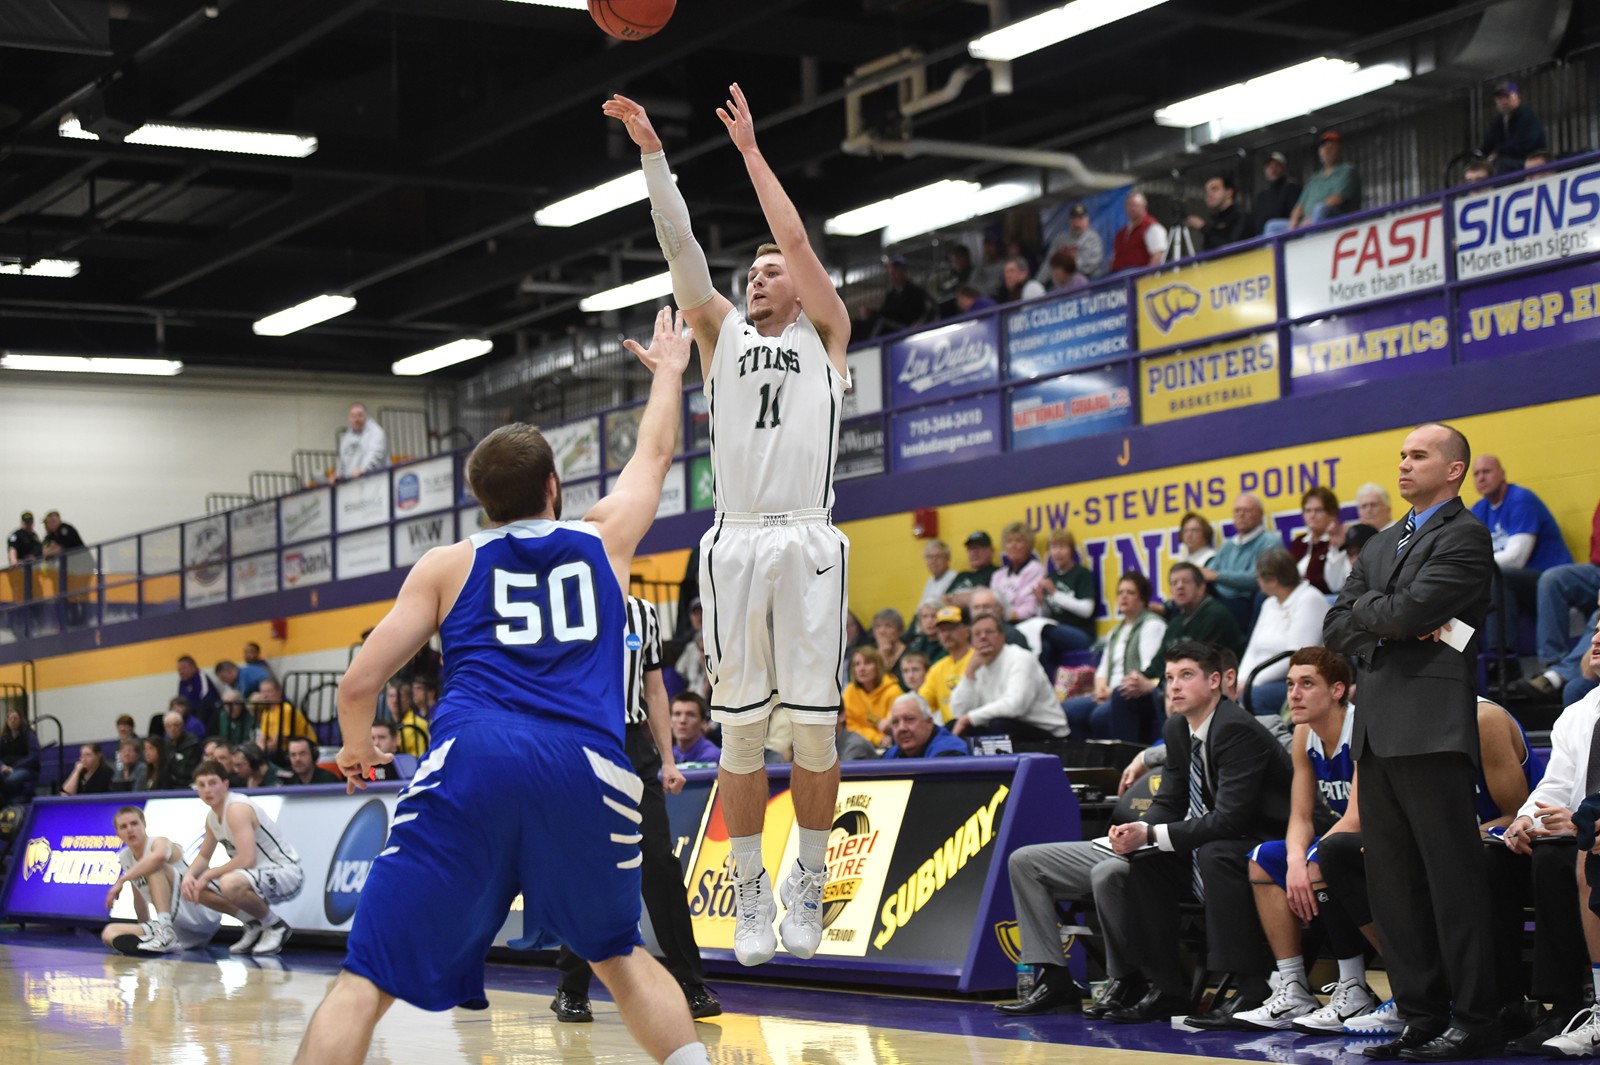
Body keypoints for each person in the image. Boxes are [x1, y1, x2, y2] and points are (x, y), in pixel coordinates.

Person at [291, 300, 705, 1065]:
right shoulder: (603, 537)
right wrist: (671, 373)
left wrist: (356, 752)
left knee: (363, 981)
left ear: (484, 500)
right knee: (619, 955)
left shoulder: (449, 564)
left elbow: (357, 684)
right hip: (586, 766)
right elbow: (653, 456)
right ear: (555, 483)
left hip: (472, 761)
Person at [603, 87, 854, 977]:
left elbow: (793, 241)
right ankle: (751, 886)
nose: (759, 275)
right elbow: (681, 248)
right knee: (743, 738)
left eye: (770, 270)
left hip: (809, 541)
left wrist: (750, 152)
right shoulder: (719, 338)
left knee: (817, 737)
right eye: (750, 271)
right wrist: (651, 153)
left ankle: (810, 879)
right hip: (734, 541)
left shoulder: (829, 332)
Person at [1323, 422, 1500, 1061]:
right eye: (1401, 454)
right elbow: (1335, 625)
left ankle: (1477, 1017)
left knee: (1452, 883)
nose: (1403, 464)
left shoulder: (1466, 535)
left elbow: (1401, 611)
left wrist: (1387, 616)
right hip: (1376, 730)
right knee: (1393, 887)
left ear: (1453, 470)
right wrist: (1391, 619)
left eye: (1418, 455)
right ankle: (1421, 1014)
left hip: (1430, 728)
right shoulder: (1379, 542)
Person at [1098, 641, 1295, 1027]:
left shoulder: (1236, 727)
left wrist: (1155, 835)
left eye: (1186, 675)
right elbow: (1170, 800)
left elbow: (1231, 820)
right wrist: (1141, 830)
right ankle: (1167, 987)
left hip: (1273, 839)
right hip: (1225, 837)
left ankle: (1250, 985)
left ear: (1216, 681)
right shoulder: (1176, 727)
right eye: (1169, 677)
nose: (1174, 686)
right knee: (1147, 859)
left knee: (1215, 853)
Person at [551, 595, 721, 1025]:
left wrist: (667, 758)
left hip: (633, 743)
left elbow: (654, 687)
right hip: (579, 742)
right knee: (590, 867)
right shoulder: (562, 600)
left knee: (660, 863)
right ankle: (571, 988)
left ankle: (689, 982)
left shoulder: (643, 612)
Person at [1232, 648, 1377, 1032]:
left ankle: (1355, 987)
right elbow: (1299, 816)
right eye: (1290, 684)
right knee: (1264, 857)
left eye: (1307, 684)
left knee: (1320, 857)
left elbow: (1357, 817)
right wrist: (1295, 860)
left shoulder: (1362, 725)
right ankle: (1293, 985)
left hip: (1379, 841)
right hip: (1339, 844)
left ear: (1337, 690)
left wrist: (1309, 857)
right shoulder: (1303, 734)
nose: (1293, 694)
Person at [1506, 621, 1600, 1057]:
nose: (1596, 638)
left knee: (1575, 853)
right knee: (1533, 854)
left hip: (1590, 835)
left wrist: (1584, 822)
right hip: (1581, 838)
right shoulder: (1579, 713)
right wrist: (1526, 818)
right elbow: (1554, 786)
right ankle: (1555, 1006)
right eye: (1595, 630)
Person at [182, 760, 301, 957]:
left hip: (284, 872)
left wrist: (208, 874)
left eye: (212, 783)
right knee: (197, 887)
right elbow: (203, 856)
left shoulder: (237, 808)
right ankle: (253, 923)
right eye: (201, 785)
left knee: (229, 882)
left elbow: (247, 859)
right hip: (254, 875)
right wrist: (189, 876)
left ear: (226, 784)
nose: (207, 790)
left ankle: (275, 925)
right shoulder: (212, 817)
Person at [1470, 454, 1572, 651]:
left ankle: (1502, 658)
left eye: (1487, 471)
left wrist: (1472, 569)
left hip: (1545, 578)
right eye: (1476, 474)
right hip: (1510, 581)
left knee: (1496, 576)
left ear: (1502, 474)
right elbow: (1469, 556)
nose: (1481, 478)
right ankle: (1460, 658)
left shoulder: (1521, 499)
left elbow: (1516, 559)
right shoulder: (1479, 510)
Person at [101, 806, 222, 954]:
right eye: (123, 827)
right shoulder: (125, 857)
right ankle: (144, 945)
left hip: (200, 913)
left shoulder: (159, 842)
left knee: (154, 867)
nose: (130, 829)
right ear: (118, 833)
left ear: (144, 825)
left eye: (134, 823)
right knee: (110, 932)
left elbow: (159, 857)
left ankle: (165, 932)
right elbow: (139, 897)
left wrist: (121, 880)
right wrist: (144, 927)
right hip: (178, 927)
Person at [1062, 572, 1167, 741]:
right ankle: (1088, 762)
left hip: (1131, 693)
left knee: (1099, 716)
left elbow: (1147, 670)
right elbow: (1102, 669)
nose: (1124, 597)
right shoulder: (1115, 631)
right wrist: (1100, 690)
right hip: (1108, 692)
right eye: (1120, 592)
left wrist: (1112, 693)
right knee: (1064, 712)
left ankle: (1115, 762)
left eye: (1130, 593)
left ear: (1142, 598)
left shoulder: (1152, 625)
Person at [948, 614, 1069, 741]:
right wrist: (969, 675)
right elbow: (958, 711)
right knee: (952, 725)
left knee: (999, 725)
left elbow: (1015, 706)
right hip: (1008, 726)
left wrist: (969, 718)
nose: (983, 637)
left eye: (989, 632)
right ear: (972, 642)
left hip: (1049, 734)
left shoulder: (1021, 658)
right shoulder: (976, 665)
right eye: (977, 634)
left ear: (1002, 636)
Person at [1238, 549, 1331, 715]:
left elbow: (1295, 656)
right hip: (1259, 678)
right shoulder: (1268, 604)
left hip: (1297, 680)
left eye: (1258, 576)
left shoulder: (1310, 600)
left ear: (1272, 580)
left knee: (1252, 697)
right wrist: (1240, 680)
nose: (1257, 581)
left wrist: (1253, 681)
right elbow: (1253, 649)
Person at [1206, 494, 1282, 631]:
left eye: (1247, 511)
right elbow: (1207, 574)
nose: (1241, 515)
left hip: (1247, 602)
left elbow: (1258, 579)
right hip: (1221, 601)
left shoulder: (1270, 541)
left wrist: (1218, 576)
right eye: (1237, 511)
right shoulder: (1227, 545)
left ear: (1260, 515)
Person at [1032, 528, 1099, 673]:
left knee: (1044, 631)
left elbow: (1086, 610)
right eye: (1053, 547)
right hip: (1057, 633)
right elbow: (1047, 616)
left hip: (1082, 635)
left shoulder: (1081, 574)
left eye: (1062, 547)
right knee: (1042, 646)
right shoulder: (1051, 577)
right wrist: (1041, 602)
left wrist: (1055, 594)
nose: (1057, 552)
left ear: (1071, 550)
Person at [1289, 131, 1361, 229]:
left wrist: (1312, 218)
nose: (1327, 150)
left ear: (1340, 150)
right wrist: (1293, 223)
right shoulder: (1315, 178)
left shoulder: (1347, 171)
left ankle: (1311, 242)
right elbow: (1299, 205)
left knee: (1320, 209)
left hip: (1335, 221)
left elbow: (1338, 198)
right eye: (1324, 147)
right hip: (1305, 223)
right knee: (1272, 225)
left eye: (1332, 147)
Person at [918, 605, 975, 723]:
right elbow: (921, 703)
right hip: (950, 733)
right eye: (942, 630)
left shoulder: (978, 659)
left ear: (967, 630)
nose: (947, 634)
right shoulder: (937, 668)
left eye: (952, 628)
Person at [1291, 486, 1349, 594]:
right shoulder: (1298, 542)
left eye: (1318, 510)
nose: (1312, 515)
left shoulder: (1339, 541)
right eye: (1308, 511)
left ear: (1332, 514)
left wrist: (1335, 548)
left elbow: (1337, 585)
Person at [1481, 80, 1546, 174]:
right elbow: (1487, 144)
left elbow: (1526, 144)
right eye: (1499, 98)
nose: (1503, 101)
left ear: (1517, 97)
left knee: (1502, 166)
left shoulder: (1527, 116)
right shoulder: (1499, 122)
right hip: (1510, 163)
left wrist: (1499, 153)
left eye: (1507, 96)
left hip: (1530, 163)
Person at [841, 646, 901, 748]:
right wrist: (876, 738)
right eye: (857, 664)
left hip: (890, 745)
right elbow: (849, 725)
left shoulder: (893, 691)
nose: (861, 668)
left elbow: (893, 725)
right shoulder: (850, 691)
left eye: (867, 663)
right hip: (857, 744)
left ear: (878, 666)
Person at [860, 256, 932, 336]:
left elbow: (899, 313)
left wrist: (873, 313)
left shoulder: (914, 291)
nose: (892, 276)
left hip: (909, 328)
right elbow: (886, 313)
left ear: (902, 271)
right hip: (895, 331)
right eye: (890, 274)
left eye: (894, 272)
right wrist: (871, 314)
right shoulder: (891, 296)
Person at [881, 693, 968, 759]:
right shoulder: (890, 755)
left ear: (929, 722)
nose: (902, 728)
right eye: (895, 722)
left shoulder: (950, 754)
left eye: (910, 719)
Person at [1036, 202, 1106, 284]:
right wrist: (1037, 282)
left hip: (1090, 283)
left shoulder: (1093, 239)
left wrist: (1068, 262)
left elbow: (1090, 266)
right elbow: (1049, 264)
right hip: (1063, 286)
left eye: (1080, 219)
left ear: (1087, 220)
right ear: (1070, 221)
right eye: (1074, 219)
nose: (1077, 222)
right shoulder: (1061, 240)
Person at [1186, 173, 1250, 252]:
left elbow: (1231, 249)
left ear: (1229, 192)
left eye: (1214, 189)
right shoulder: (1213, 221)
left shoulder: (1241, 217)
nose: (1209, 194)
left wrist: (1203, 227)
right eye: (1206, 191)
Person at [255, 679, 317, 755]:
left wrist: (260, 750)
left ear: (279, 693)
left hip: (304, 748)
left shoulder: (285, 709)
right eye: (262, 692)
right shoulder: (266, 713)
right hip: (283, 750)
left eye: (269, 691)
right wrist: (257, 748)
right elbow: (263, 737)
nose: (265, 696)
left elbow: (279, 740)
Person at [1111, 192, 1167, 272]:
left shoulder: (1152, 227)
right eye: (1129, 205)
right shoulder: (1121, 233)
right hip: (1116, 275)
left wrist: (1147, 277)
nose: (1131, 208)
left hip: (1136, 276)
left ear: (1144, 207)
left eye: (1135, 205)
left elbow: (1157, 256)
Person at [1252, 152, 1302, 236]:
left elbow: (1297, 214)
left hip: (1287, 231)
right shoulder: (1262, 195)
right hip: (1263, 235)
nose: (1273, 170)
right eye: (1269, 167)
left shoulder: (1292, 187)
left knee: (1271, 226)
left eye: (1276, 166)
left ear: (1283, 168)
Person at [336, 403, 388, 480]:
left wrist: (363, 471)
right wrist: (338, 476)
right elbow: (342, 460)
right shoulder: (346, 437)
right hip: (352, 484)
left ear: (366, 416)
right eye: (353, 416)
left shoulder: (376, 432)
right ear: (349, 418)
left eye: (360, 415)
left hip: (375, 482)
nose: (356, 419)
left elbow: (375, 455)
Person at [946, 530, 999, 605]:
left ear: (991, 550)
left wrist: (953, 598)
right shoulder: (962, 575)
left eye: (979, 547)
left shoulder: (997, 574)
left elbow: (984, 600)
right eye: (971, 548)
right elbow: (943, 599)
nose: (974, 552)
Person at [0, 707, 40, 801]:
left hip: (26, 768)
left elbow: (33, 756)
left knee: (11, 779)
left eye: (15, 718)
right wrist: (2, 766)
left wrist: (14, 767)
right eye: (10, 718)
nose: (12, 721)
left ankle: (13, 801)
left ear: (20, 720)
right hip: (6, 768)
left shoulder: (29, 735)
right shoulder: (4, 738)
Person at [669, 692, 719, 764]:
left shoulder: (712, 756)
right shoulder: (668, 754)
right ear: (670, 720)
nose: (682, 720)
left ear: (703, 722)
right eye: (677, 714)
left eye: (690, 715)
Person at [175, 656, 221, 733]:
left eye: (183, 668)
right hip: (189, 712)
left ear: (193, 667)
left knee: (203, 708)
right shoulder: (182, 682)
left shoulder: (201, 677)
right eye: (179, 670)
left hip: (206, 712)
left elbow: (205, 697)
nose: (181, 672)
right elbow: (180, 700)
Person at [869, 607, 909, 687]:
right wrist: (882, 656)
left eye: (888, 626)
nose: (882, 631)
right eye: (877, 626)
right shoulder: (869, 655)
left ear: (899, 630)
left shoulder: (910, 653)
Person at [162, 710, 203, 787]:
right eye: (168, 726)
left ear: (182, 726)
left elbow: (185, 771)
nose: (172, 729)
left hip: (188, 784)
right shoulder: (167, 745)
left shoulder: (192, 743)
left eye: (175, 725)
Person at [917, 539, 958, 609]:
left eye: (938, 556)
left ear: (947, 559)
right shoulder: (930, 581)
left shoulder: (954, 579)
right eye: (930, 557)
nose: (933, 561)